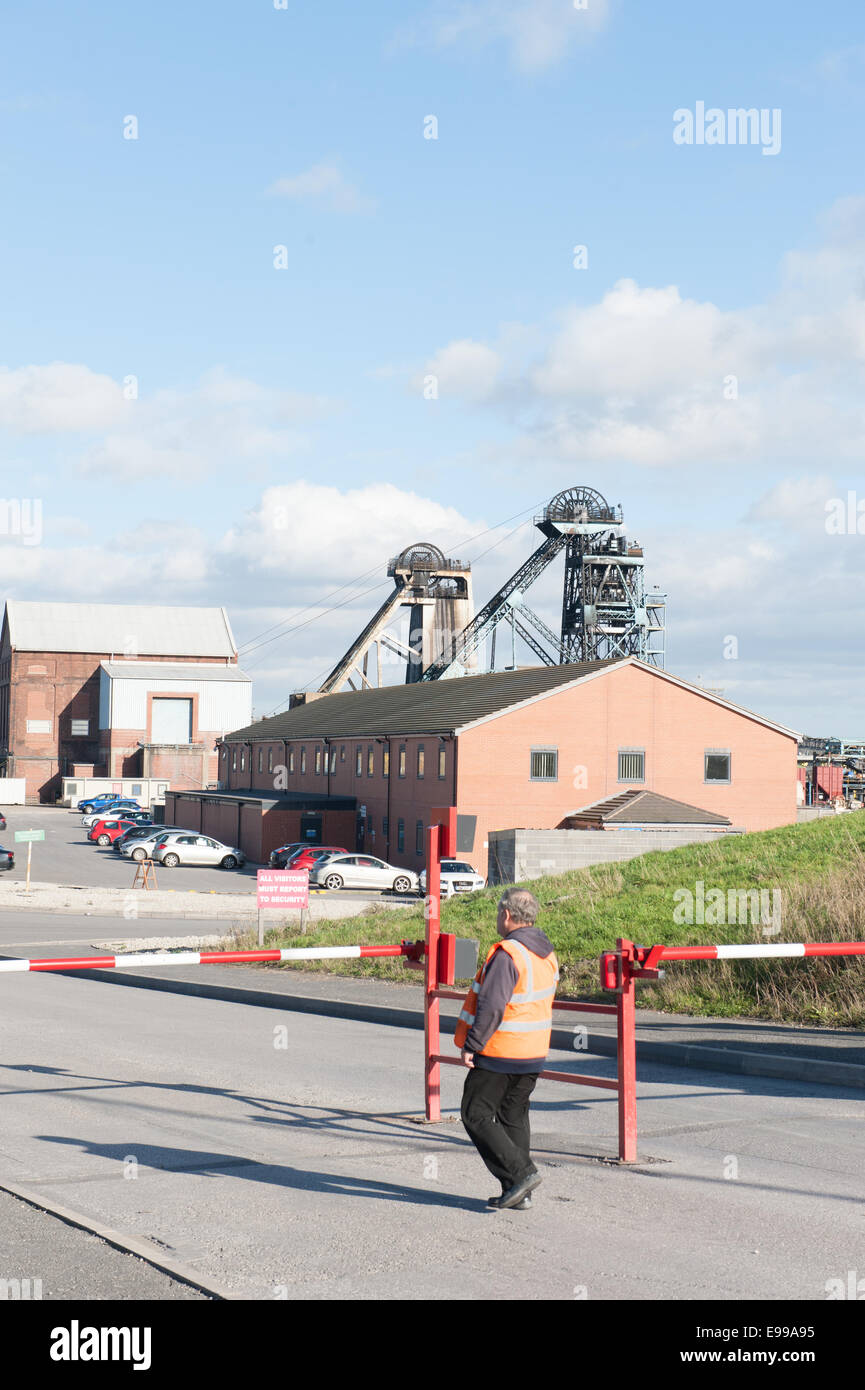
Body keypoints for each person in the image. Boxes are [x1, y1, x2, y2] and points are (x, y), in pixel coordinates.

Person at [454, 887, 559, 1211]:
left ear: (507, 915)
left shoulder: (508, 954)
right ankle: (519, 1191)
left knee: (475, 1113)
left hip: (501, 1051)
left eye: (499, 912)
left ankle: (521, 1175)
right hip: (533, 1052)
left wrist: (473, 1044)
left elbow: (492, 1005)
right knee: (513, 1116)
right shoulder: (545, 953)